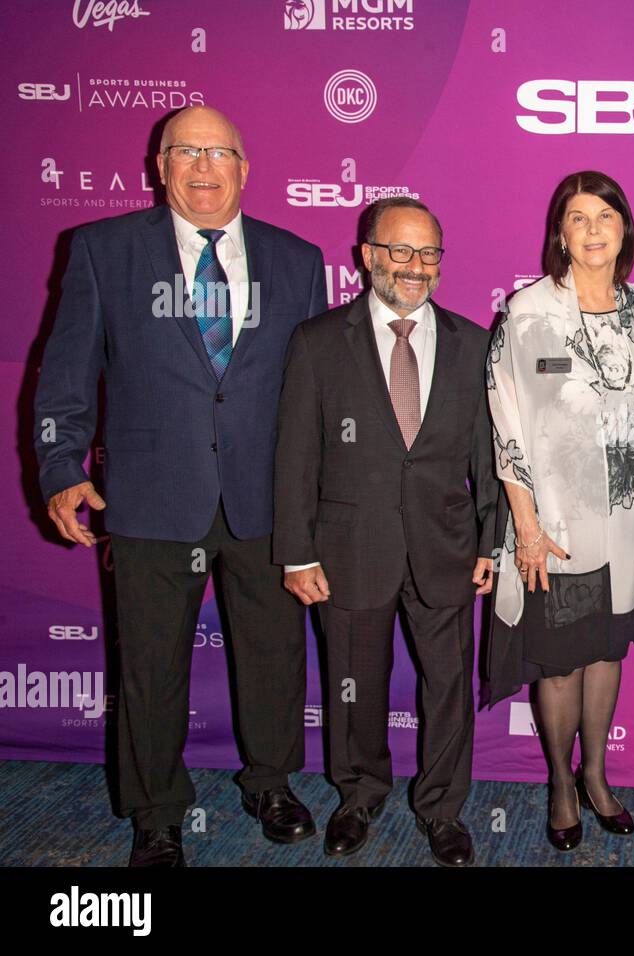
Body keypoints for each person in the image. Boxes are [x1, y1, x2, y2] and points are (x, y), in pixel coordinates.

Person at [33, 106, 326, 867]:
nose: (203, 167)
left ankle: (270, 781)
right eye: (185, 152)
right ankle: (156, 812)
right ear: (159, 167)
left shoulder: (298, 259)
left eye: (218, 152)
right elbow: (66, 375)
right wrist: (62, 469)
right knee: (151, 664)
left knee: (273, 653)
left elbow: (316, 392)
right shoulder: (101, 251)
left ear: (244, 167)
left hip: (262, 496)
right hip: (151, 492)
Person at [273, 197, 497, 866]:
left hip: (446, 548)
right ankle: (358, 796)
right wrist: (295, 553)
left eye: (428, 253)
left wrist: (493, 542)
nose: (415, 266)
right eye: (399, 251)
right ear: (367, 255)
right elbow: (294, 457)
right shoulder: (317, 341)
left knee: (449, 686)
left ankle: (442, 808)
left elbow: (488, 455)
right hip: (347, 549)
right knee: (352, 682)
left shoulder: (471, 342)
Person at [485, 171, 634, 852]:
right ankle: (560, 784)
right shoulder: (530, 310)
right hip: (555, 524)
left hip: (627, 518)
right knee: (559, 662)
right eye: (577, 218)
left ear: (624, 229)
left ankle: (597, 774)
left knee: (606, 652)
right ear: (560, 232)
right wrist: (525, 525)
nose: (592, 230)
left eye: (605, 216)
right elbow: (509, 424)